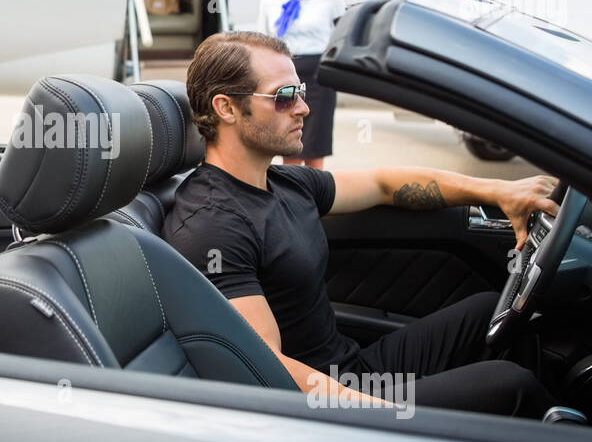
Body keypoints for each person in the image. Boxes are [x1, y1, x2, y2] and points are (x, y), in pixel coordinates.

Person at [163, 31, 562, 419]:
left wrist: (497, 191)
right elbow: (266, 367)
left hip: (355, 367)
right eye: (284, 96)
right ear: (226, 108)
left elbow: (383, 184)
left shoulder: (283, 181)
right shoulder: (212, 226)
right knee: (509, 384)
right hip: (336, 401)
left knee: (492, 309)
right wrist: (384, 416)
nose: (303, 107)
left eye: (300, 91)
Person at [255, 0, 344, 169]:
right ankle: (292, 197)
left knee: (316, 142)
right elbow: (263, 39)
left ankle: (316, 197)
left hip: (319, 73)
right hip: (283, 72)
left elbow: (340, 36)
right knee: (288, 138)